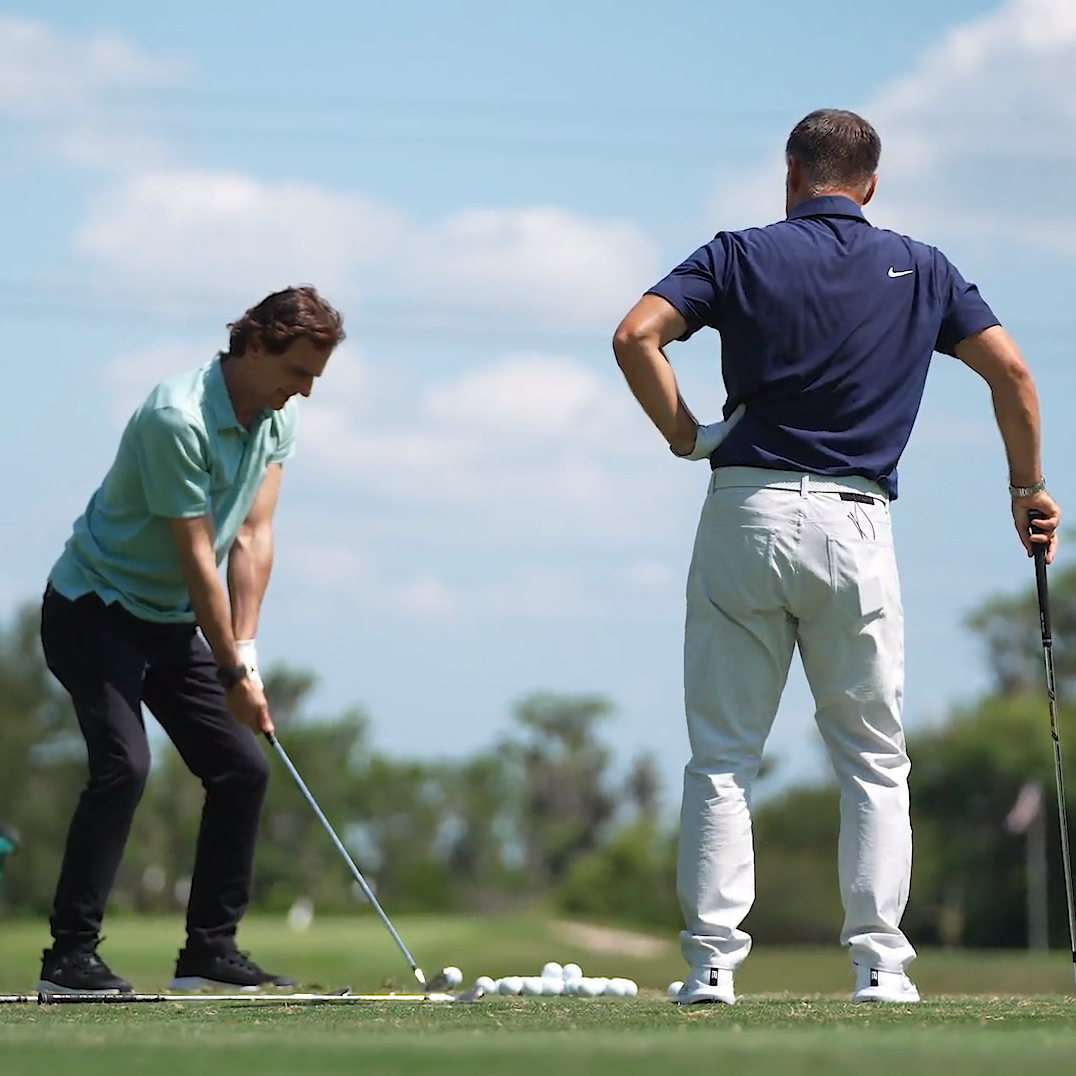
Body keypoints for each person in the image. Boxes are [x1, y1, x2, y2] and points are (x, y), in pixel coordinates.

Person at [612, 109, 1061, 1004]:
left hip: (745, 511)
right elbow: (1011, 372)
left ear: (792, 173)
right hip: (858, 523)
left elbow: (636, 336)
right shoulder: (924, 266)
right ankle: (881, 966)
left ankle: (709, 966)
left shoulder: (738, 253)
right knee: (870, 756)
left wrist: (684, 433)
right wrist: (1027, 489)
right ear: (871, 184)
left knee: (725, 756)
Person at [38, 285, 345, 995]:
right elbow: (198, 554)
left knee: (243, 769)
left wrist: (250, 655)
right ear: (257, 345)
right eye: (298, 372)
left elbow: (255, 538)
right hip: (93, 609)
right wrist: (232, 675)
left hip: (173, 624)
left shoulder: (277, 419)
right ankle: (68, 959)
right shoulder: (176, 418)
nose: (305, 392)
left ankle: (208, 954)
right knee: (125, 765)